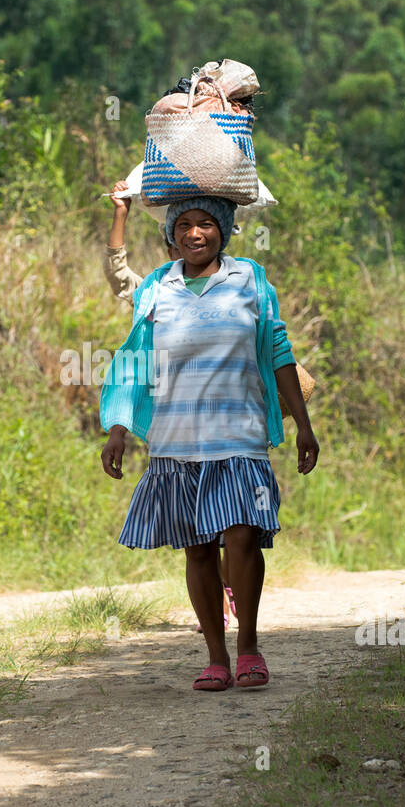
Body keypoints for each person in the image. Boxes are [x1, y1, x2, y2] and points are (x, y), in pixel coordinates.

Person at [99, 194, 318, 691]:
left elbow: (279, 349)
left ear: (223, 229)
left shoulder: (250, 279)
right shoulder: (158, 285)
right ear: (171, 233)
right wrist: (118, 428)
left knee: (242, 535)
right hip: (175, 438)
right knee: (197, 548)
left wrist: (303, 425)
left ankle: (249, 647)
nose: (194, 234)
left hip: (239, 433)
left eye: (205, 225)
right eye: (184, 226)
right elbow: (135, 357)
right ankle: (215, 656)